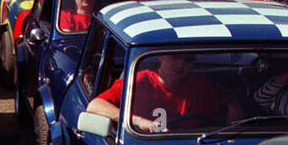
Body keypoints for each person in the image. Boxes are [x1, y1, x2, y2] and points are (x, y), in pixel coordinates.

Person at [86, 52, 241, 132]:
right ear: (161, 56)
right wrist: (141, 122)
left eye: (188, 60)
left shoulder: (200, 84)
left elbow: (229, 100)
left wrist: (233, 108)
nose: (181, 64)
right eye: (175, 57)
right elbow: (95, 106)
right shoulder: (141, 81)